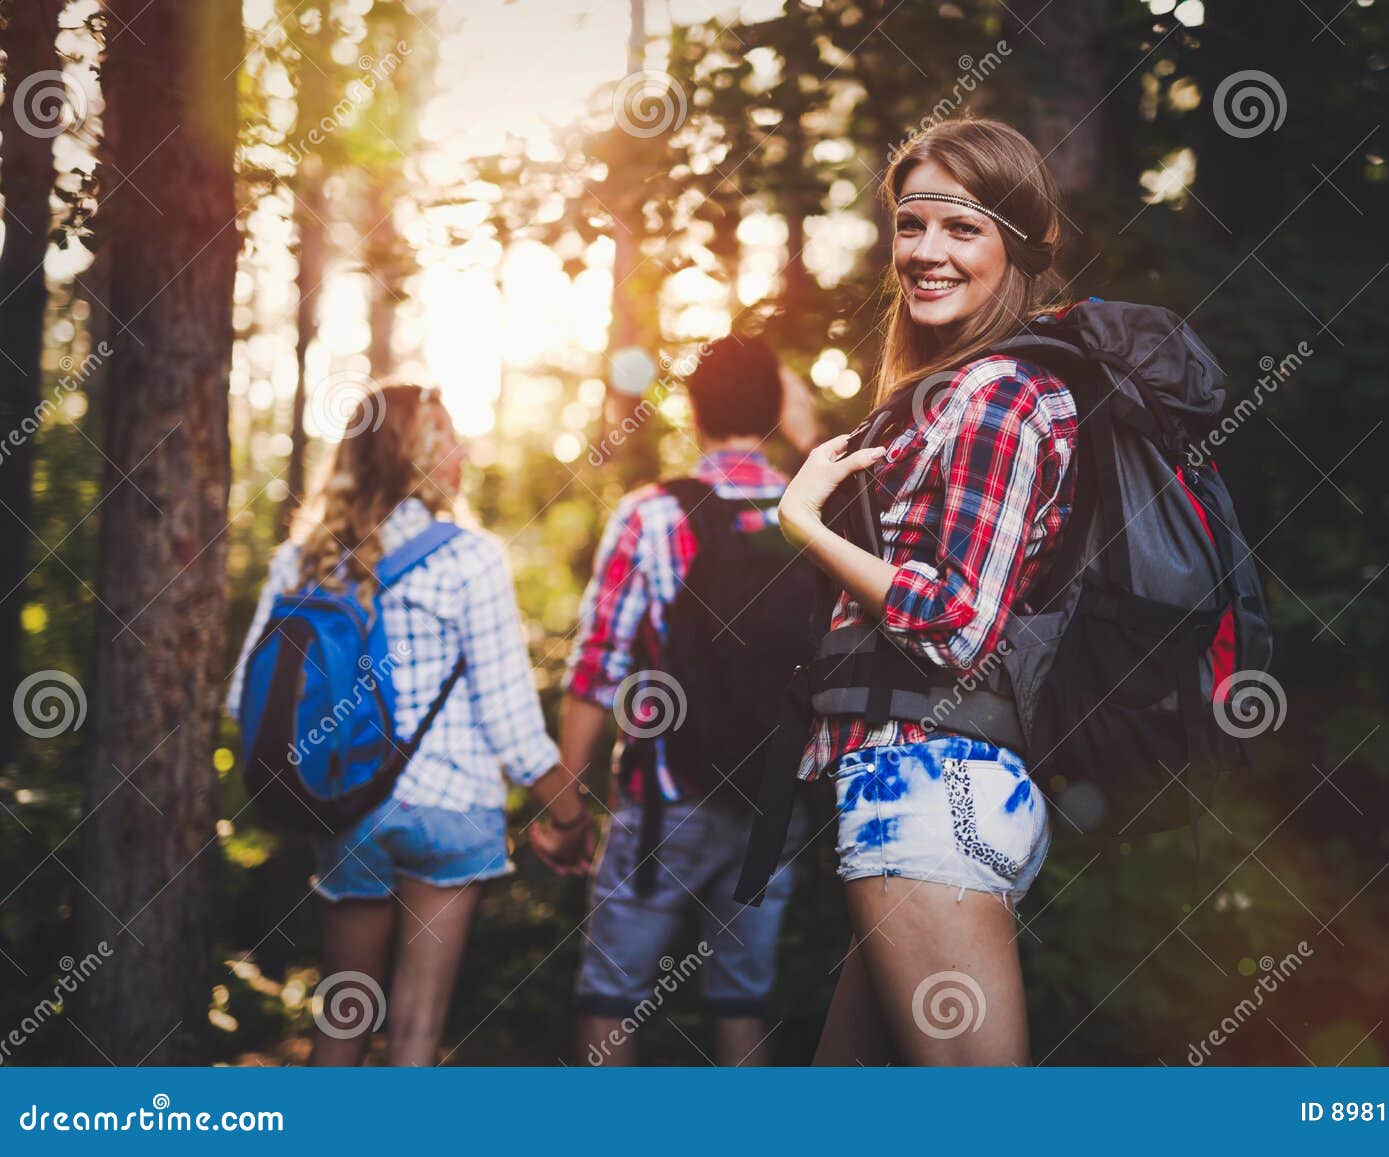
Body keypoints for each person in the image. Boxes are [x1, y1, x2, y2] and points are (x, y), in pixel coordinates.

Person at [776, 119, 1077, 1065]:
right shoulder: (947, 394)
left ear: (1014, 246)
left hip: (929, 788)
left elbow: (956, 624)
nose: (926, 251)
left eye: (963, 227)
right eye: (912, 224)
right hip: (920, 789)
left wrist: (805, 525)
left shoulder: (998, 394)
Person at [227, 384, 592, 1066]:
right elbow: (513, 726)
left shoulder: (302, 559)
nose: (462, 449)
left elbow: (241, 701)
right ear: (414, 455)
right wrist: (570, 819)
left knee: (341, 1023)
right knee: (417, 1032)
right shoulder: (469, 557)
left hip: (350, 806)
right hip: (452, 808)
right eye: (445, 435)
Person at [559, 335, 815, 1066]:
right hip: (774, 799)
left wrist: (564, 803)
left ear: (695, 413)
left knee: (609, 998)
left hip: (666, 798)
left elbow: (598, 666)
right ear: (776, 410)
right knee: (741, 1000)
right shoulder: (813, 513)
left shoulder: (652, 513)